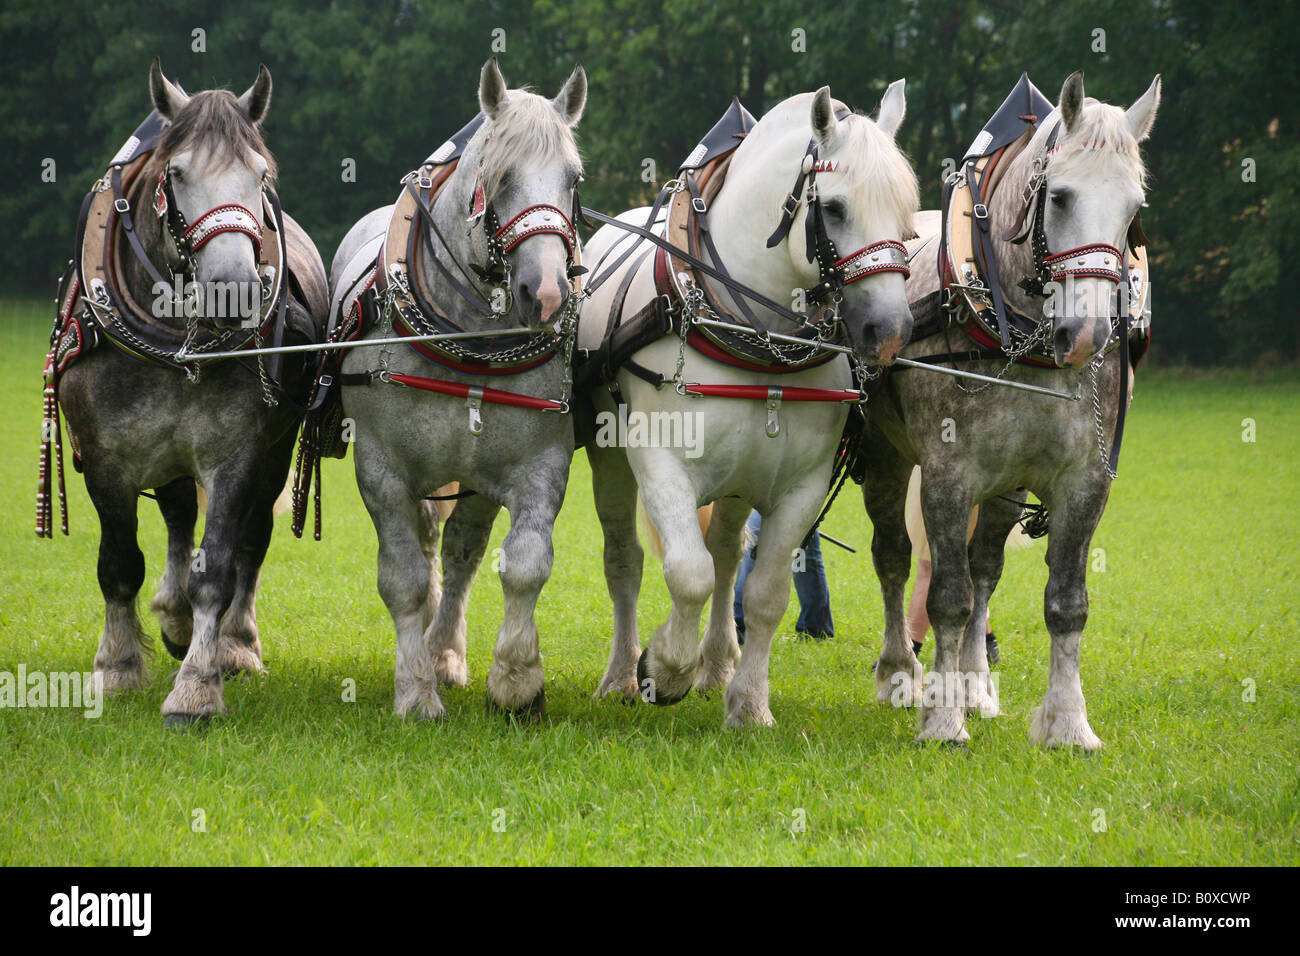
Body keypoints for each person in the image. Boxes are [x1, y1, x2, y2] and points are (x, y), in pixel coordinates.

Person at [733, 510, 833, 644]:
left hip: (800, 495)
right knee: (755, 538)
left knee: (801, 554)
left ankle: (738, 622)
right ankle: (816, 625)